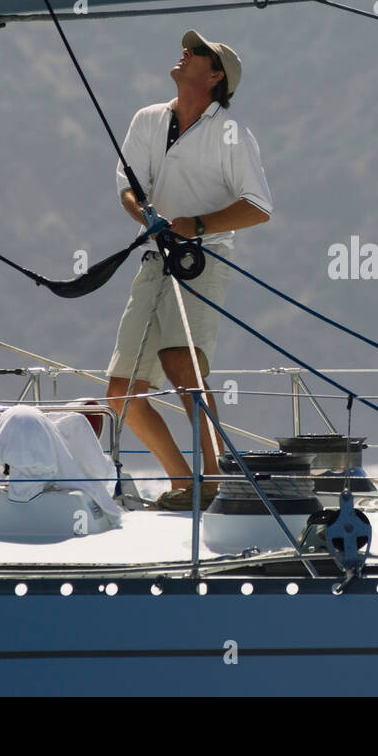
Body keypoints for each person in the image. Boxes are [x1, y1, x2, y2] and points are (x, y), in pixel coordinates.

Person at [104, 30, 273, 511]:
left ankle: (214, 481)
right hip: (155, 257)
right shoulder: (147, 119)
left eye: (198, 53)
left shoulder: (231, 132)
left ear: (215, 75)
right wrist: (146, 214)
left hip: (205, 257)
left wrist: (195, 225)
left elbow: (258, 207)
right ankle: (185, 483)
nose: (186, 53)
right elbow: (127, 187)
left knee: (183, 362)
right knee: (122, 393)